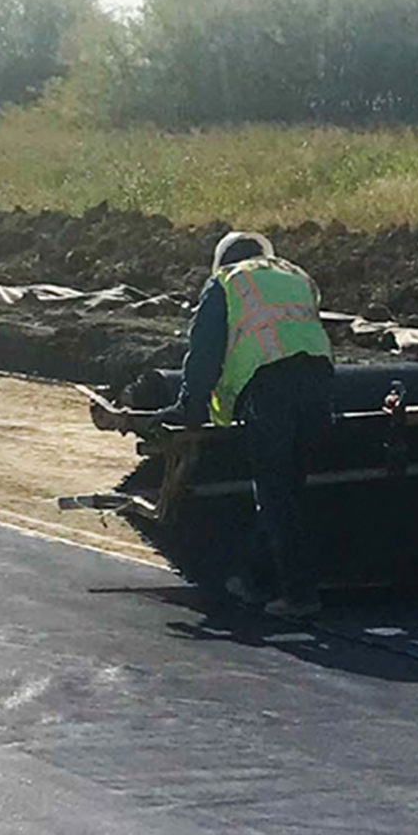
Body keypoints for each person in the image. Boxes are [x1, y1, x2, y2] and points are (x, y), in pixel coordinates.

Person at [109, 231, 334, 619]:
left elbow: (205, 354)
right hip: (320, 382)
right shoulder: (295, 276)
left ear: (223, 260)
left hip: (270, 390)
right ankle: (254, 580)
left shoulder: (227, 283)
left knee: (274, 490)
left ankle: (298, 596)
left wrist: (188, 408)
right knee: (291, 487)